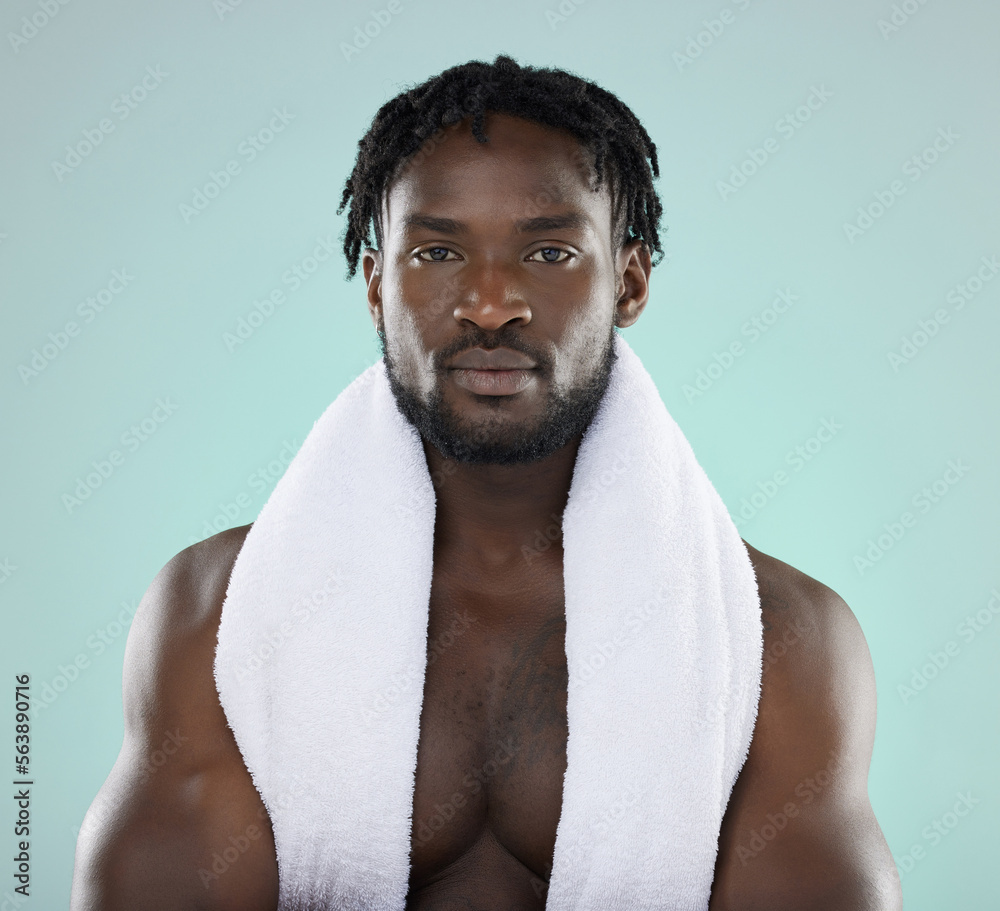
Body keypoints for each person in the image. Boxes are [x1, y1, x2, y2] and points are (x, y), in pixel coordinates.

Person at [71, 55, 902, 910]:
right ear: (376, 287)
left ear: (629, 280)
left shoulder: (780, 642)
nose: (491, 301)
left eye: (548, 250)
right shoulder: (220, 613)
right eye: (436, 251)